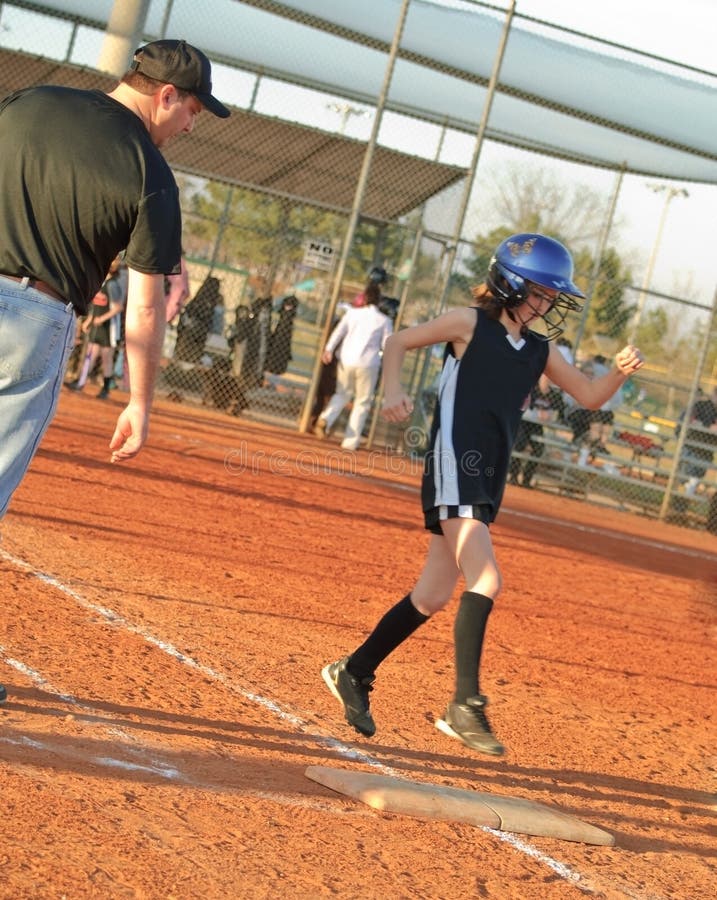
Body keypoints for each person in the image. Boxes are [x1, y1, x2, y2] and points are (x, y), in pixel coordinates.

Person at [321, 233, 643, 755]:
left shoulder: (539, 349)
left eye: (552, 296)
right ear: (511, 284)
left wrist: (620, 374)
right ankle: (464, 705)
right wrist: (394, 390)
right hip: (453, 465)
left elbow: (586, 394)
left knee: (431, 594)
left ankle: (353, 671)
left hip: (487, 476)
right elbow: (399, 340)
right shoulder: (468, 324)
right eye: (540, 293)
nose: (548, 304)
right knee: (487, 577)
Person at [0, 38, 230, 704]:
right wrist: (139, 401)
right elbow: (146, 311)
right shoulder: (149, 172)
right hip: (33, 320)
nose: (190, 126)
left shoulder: (27, 102)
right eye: (191, 111)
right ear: (164, 95)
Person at [314, 280, 393, 450]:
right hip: (368, 364)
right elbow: (387, 345)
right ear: (379, 301)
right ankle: (350, 441)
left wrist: (328, 349)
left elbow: (338, 332)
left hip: (347, 360)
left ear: (364, 299)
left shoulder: (352, 314)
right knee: (362, 402)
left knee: (342, 394)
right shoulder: (384, 320)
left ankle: (326, 418)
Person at [66, 257, 126, 398]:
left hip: (109, 328)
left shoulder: (113, 285)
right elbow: (97, 306)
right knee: (91, 354)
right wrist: (90, 321)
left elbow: (118, 308)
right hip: (97, 324)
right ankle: (80, 382)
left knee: (106, 358)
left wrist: (102, 319)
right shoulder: (102, 282)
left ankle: (105, 388)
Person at [680, 386, 717, 496]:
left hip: (706, 450)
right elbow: (691, 421)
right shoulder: (701, 405)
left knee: (697, 474)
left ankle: (687, 494)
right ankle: (684, 493)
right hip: (692, 444)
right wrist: (708, 427)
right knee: (685, 475)